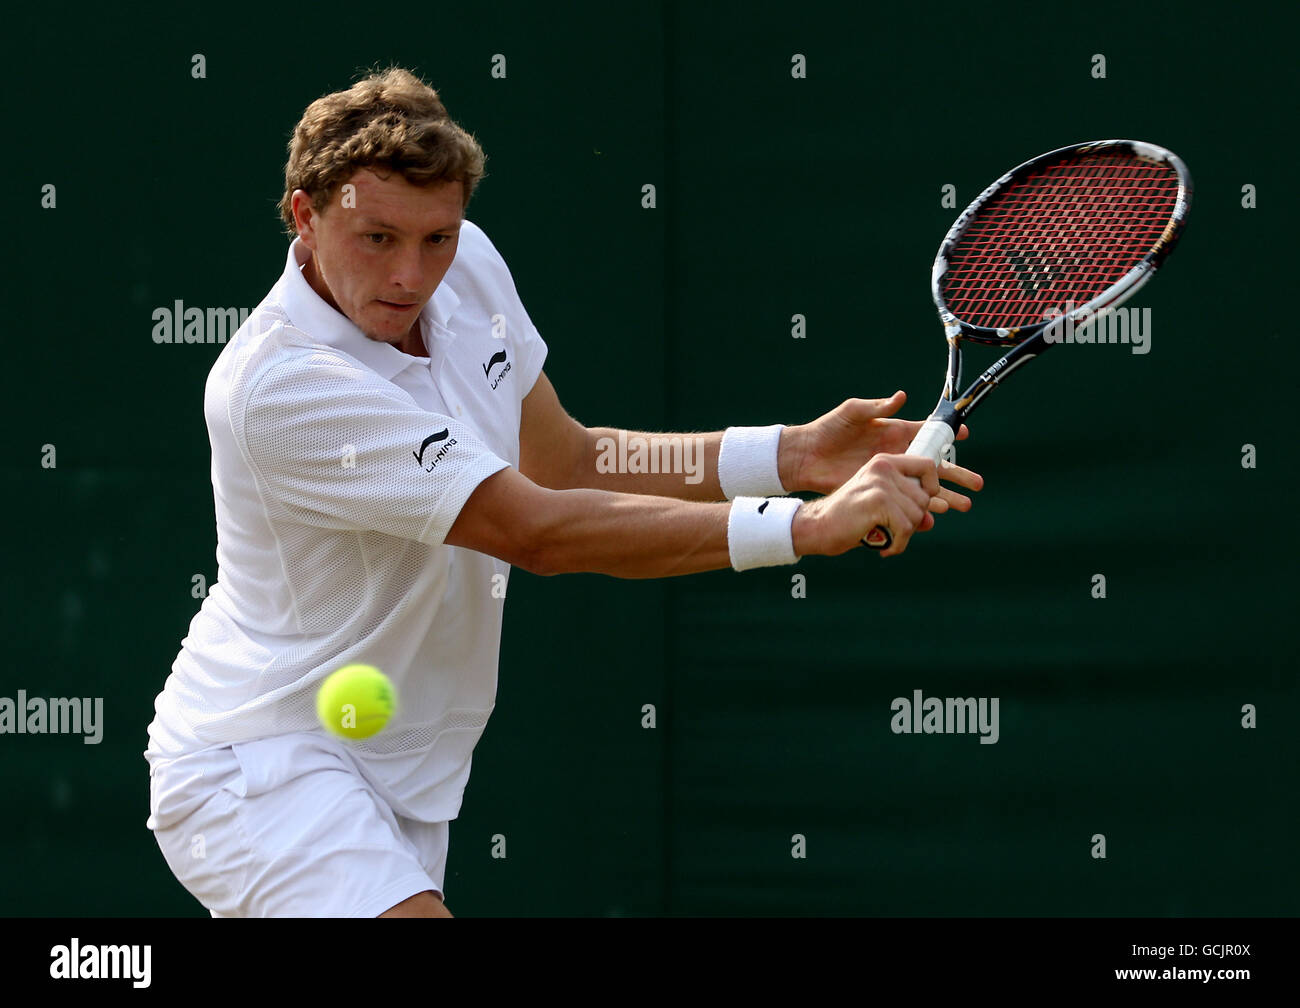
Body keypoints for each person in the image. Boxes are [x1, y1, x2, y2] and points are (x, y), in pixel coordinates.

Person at [144, 66, 983, 918]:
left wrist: (790, 454)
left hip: (398, 770)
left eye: (436, 237)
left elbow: (570, 460)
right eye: (378, 239)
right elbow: (535, 531)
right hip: (257, 762)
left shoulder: (466, 264)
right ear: (305, 215)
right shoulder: (284, 387)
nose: (411, 274)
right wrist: (805, 527)